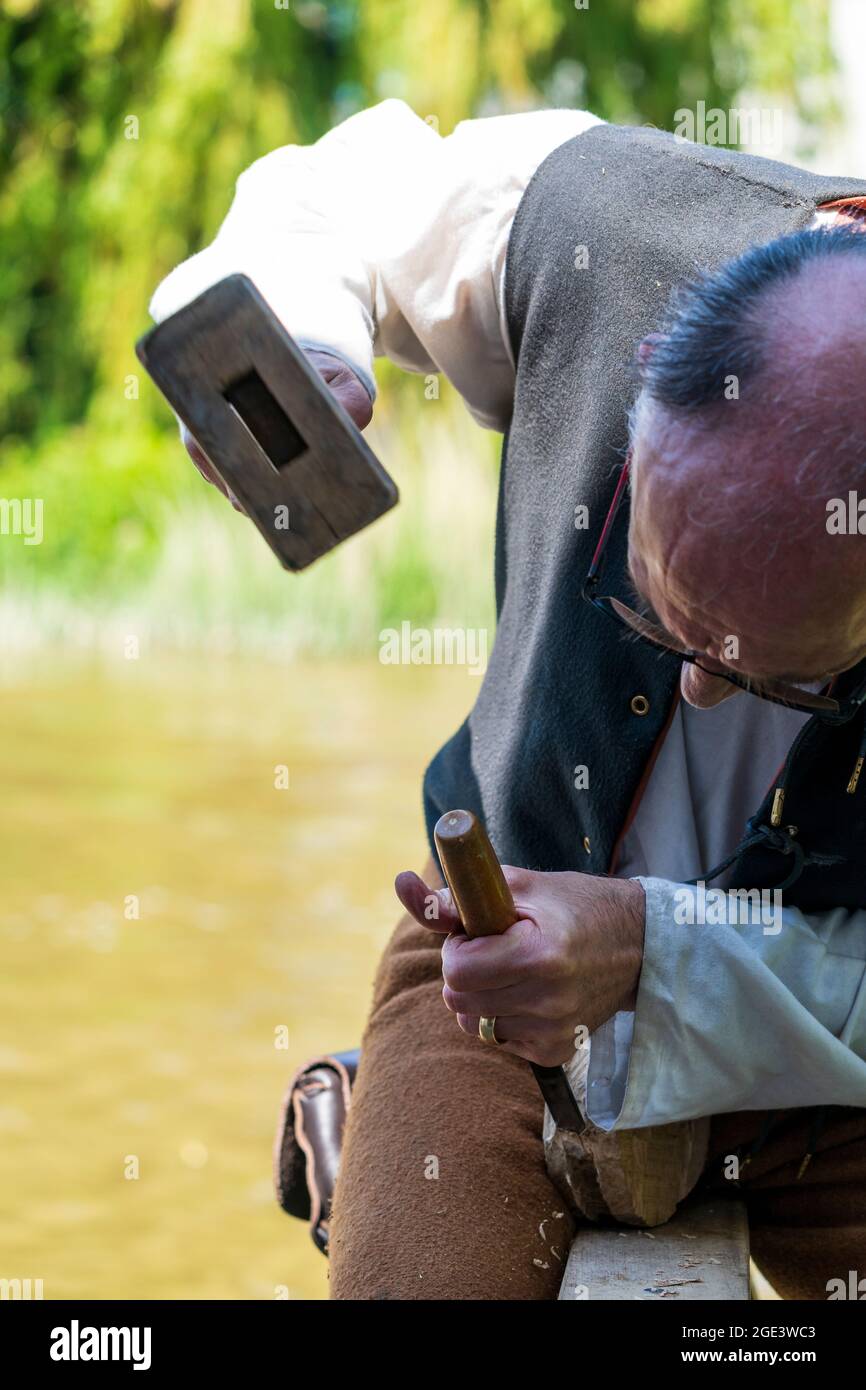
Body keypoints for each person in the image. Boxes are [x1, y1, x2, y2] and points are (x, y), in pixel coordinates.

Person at [151, 102, 866, 1299]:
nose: (690, 687)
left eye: (763, 673)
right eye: (651, 600)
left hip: (829, 1081)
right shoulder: (603, 226)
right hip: (490, 979)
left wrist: (657, 958)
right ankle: (387, 1093)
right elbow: (335, 195)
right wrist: (292, 349)